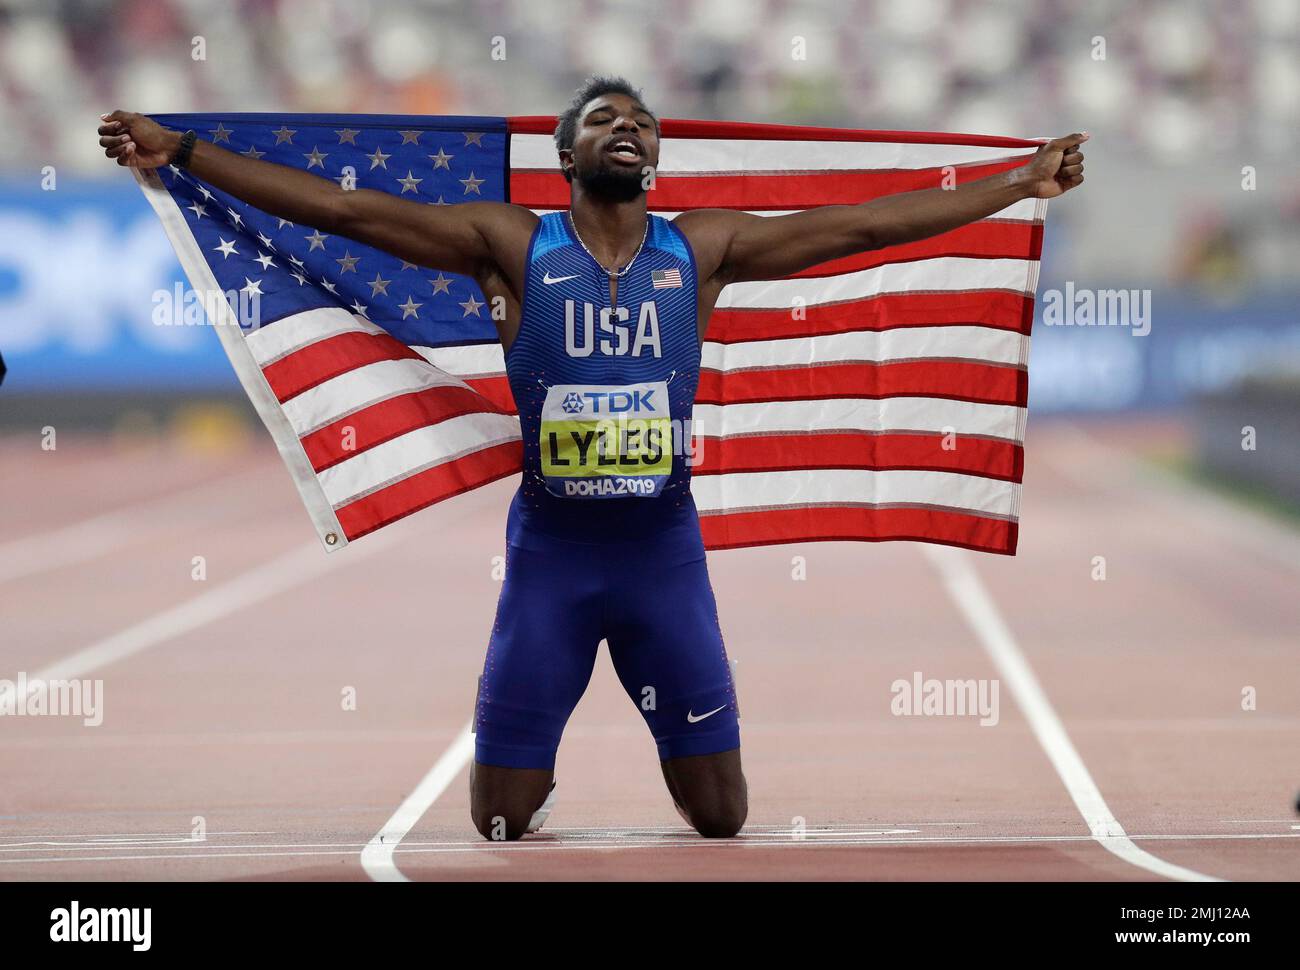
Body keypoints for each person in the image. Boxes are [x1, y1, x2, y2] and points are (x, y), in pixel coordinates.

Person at [98, 75, 1086, 842]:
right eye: (607, 119)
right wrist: (183, 151)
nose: (630, 129)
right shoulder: (509, 243)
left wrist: (1019, 183)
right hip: (551, 558)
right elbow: (345, 214)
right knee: (498, 821)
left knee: (721, 817)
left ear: (655, 158)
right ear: (566, 152)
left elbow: (864, 227)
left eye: (644, 124)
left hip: (662, 554)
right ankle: (537, 730)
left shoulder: (700, 248)